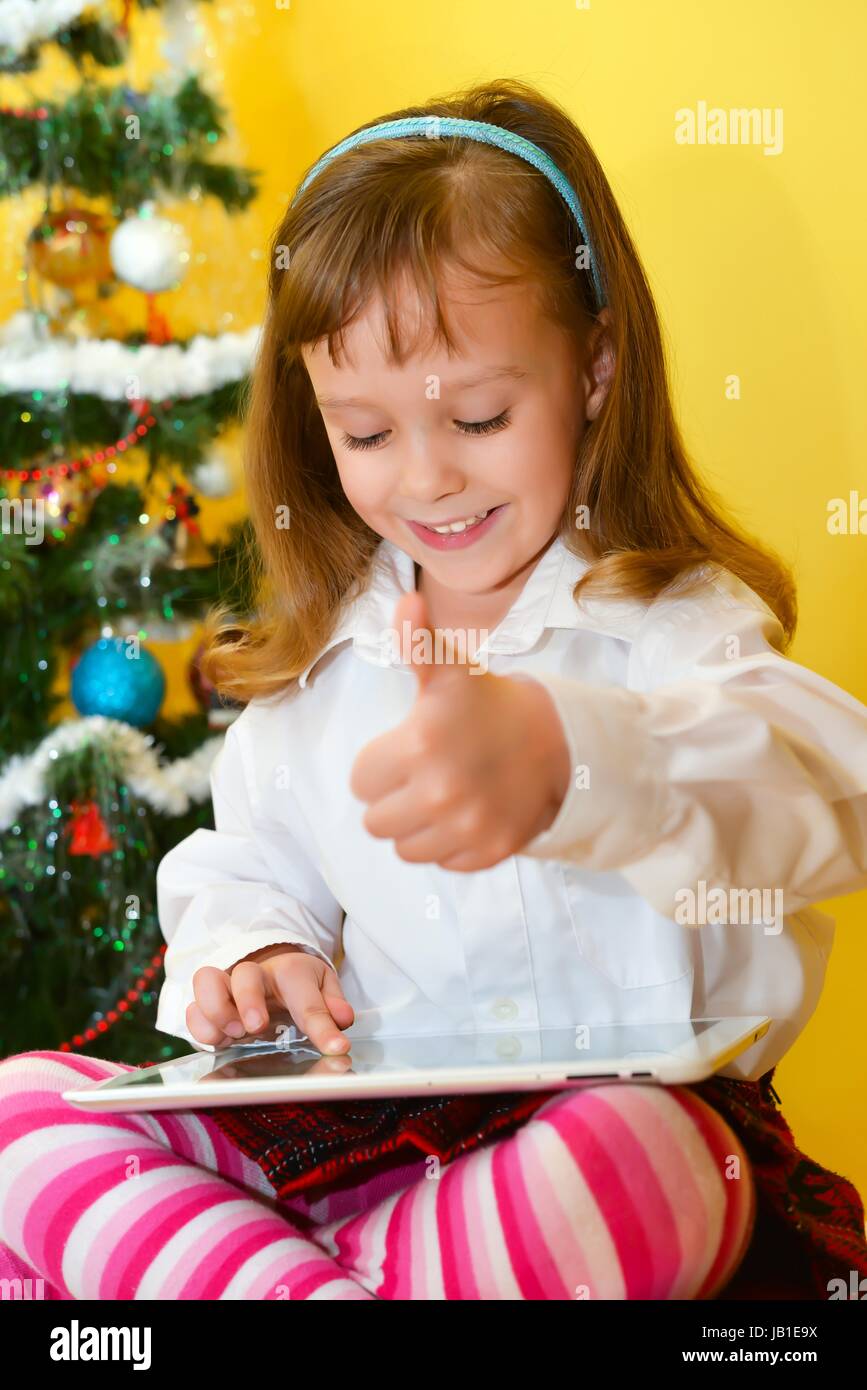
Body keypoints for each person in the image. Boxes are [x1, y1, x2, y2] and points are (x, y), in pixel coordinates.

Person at [2, 78, 866, 1302]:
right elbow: (251, 863)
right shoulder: (321, 668)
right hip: (376, 1162)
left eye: (478, 414)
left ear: (598, 372)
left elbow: (831, 786)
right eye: (364, 435)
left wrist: (580, 760)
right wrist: (258, 952)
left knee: (637, 1155)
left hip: (639, 1149)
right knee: (21, 1108)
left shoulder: (666, 625)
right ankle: (358, 1283)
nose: (426, 478)